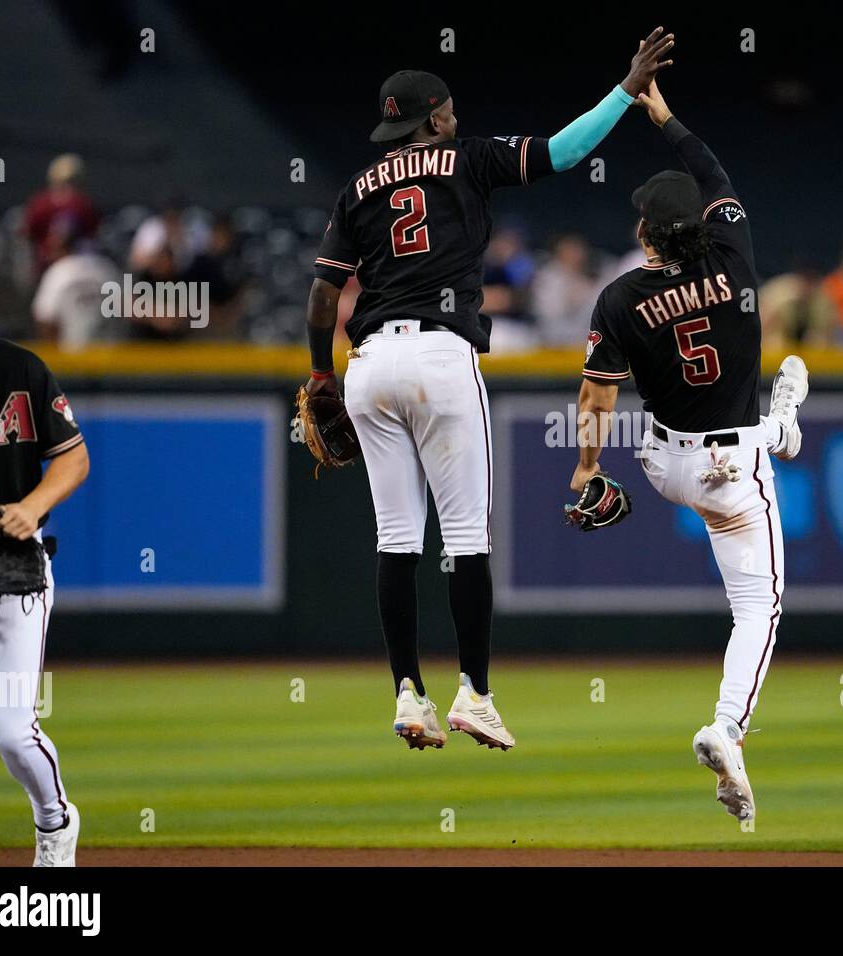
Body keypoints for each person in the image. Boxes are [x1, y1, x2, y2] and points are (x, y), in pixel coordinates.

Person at [302, 29, 675, 752]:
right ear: (437, 118)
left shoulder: (357, 187)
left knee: (396, 538)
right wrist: (627, 89)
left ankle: (408, 696)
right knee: (466, 538)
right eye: (449, 114)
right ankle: (474, 692)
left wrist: (321, 374)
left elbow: (322, 297)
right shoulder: (468, 157)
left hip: (368, 363)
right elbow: (565, 151)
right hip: (442, 355)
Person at [569, 79, 809, 822]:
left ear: (646, 234)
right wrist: (666, 113)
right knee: (759, 609)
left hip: (663, 464)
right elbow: (713, 172)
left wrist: (585, 471)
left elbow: (596, 399)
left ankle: (782, 424)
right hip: (730, 466)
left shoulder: (618, 299)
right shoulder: (734, 253)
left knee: (726, 437)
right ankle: (727, 727)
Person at [0, 269, 90, 866]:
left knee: (10, 734)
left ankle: (55, 820)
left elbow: (74, 459)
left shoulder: (20, 372)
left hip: (11, 583)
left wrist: (34, 507)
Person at [21, 155, 99, 281]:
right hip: (75, 270)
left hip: (44, 268)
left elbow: (28, 234)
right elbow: (93, 237)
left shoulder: (40, 202)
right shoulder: (83, 204)